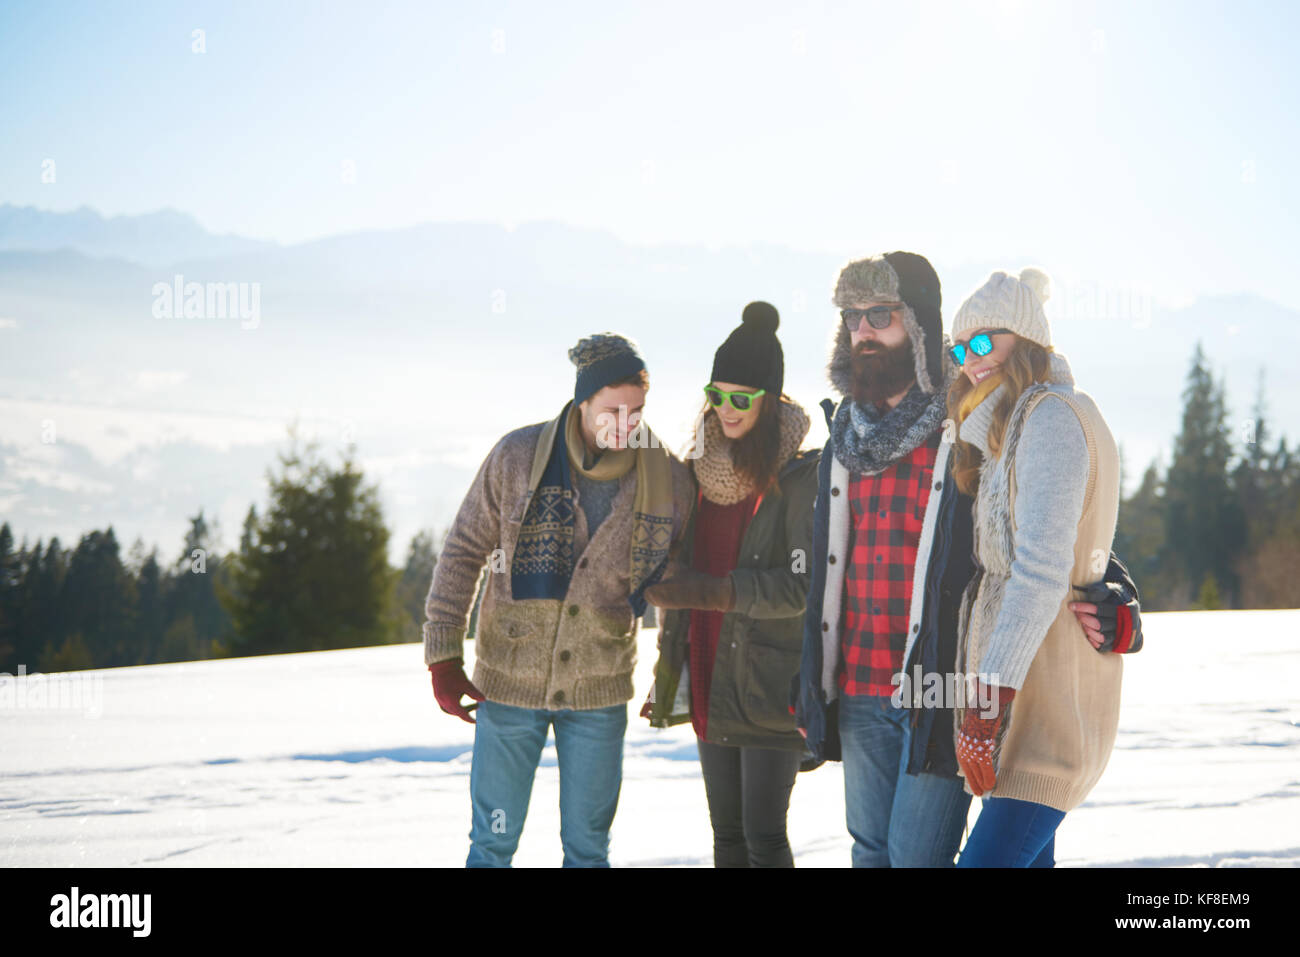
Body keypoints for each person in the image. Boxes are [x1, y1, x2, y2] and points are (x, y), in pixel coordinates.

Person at [792, 252, 1117, 867]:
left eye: (880, 314)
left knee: (920, 859)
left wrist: (1114, 594)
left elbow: (1051, 531)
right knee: (868, 851)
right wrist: (810, 673)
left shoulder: (972, 421)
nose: (862, 329)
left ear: (917, 327)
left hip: (942, 684)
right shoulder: (841, 440)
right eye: (852, 317)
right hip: (860, 681)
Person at [423, 333, 695, 867]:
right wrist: (443, 656)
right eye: (611, 411)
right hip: (508, 682)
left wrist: (671, 675)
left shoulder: (669, 482)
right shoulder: (518, 456)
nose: (626, 425)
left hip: (600, 690)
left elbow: (675, 587)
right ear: (581, 402)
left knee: (588, 849)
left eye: (636, 412)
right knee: (492, 843)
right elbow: (462, 553)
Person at [945, 268, 1123, 868]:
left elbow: (1042, 571)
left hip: (1048, 705)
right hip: (1031, 705)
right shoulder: (1016, 425)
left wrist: (986, 703)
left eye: (982, 342)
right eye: (959, 349)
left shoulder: (1049, 419)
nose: (970, 361)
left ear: (1025, 338)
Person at [642, 301, 819, 868]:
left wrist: (704, 591)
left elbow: (798, 589)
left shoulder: (799, 477)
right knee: (725, 838)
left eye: (740, 397)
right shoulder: (698, 468)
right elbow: (678, 581)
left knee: (764, 837)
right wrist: (667, 675)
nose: (725, 409)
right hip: (710, 672)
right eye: (716, 394)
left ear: (769, 398)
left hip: (771, 684)